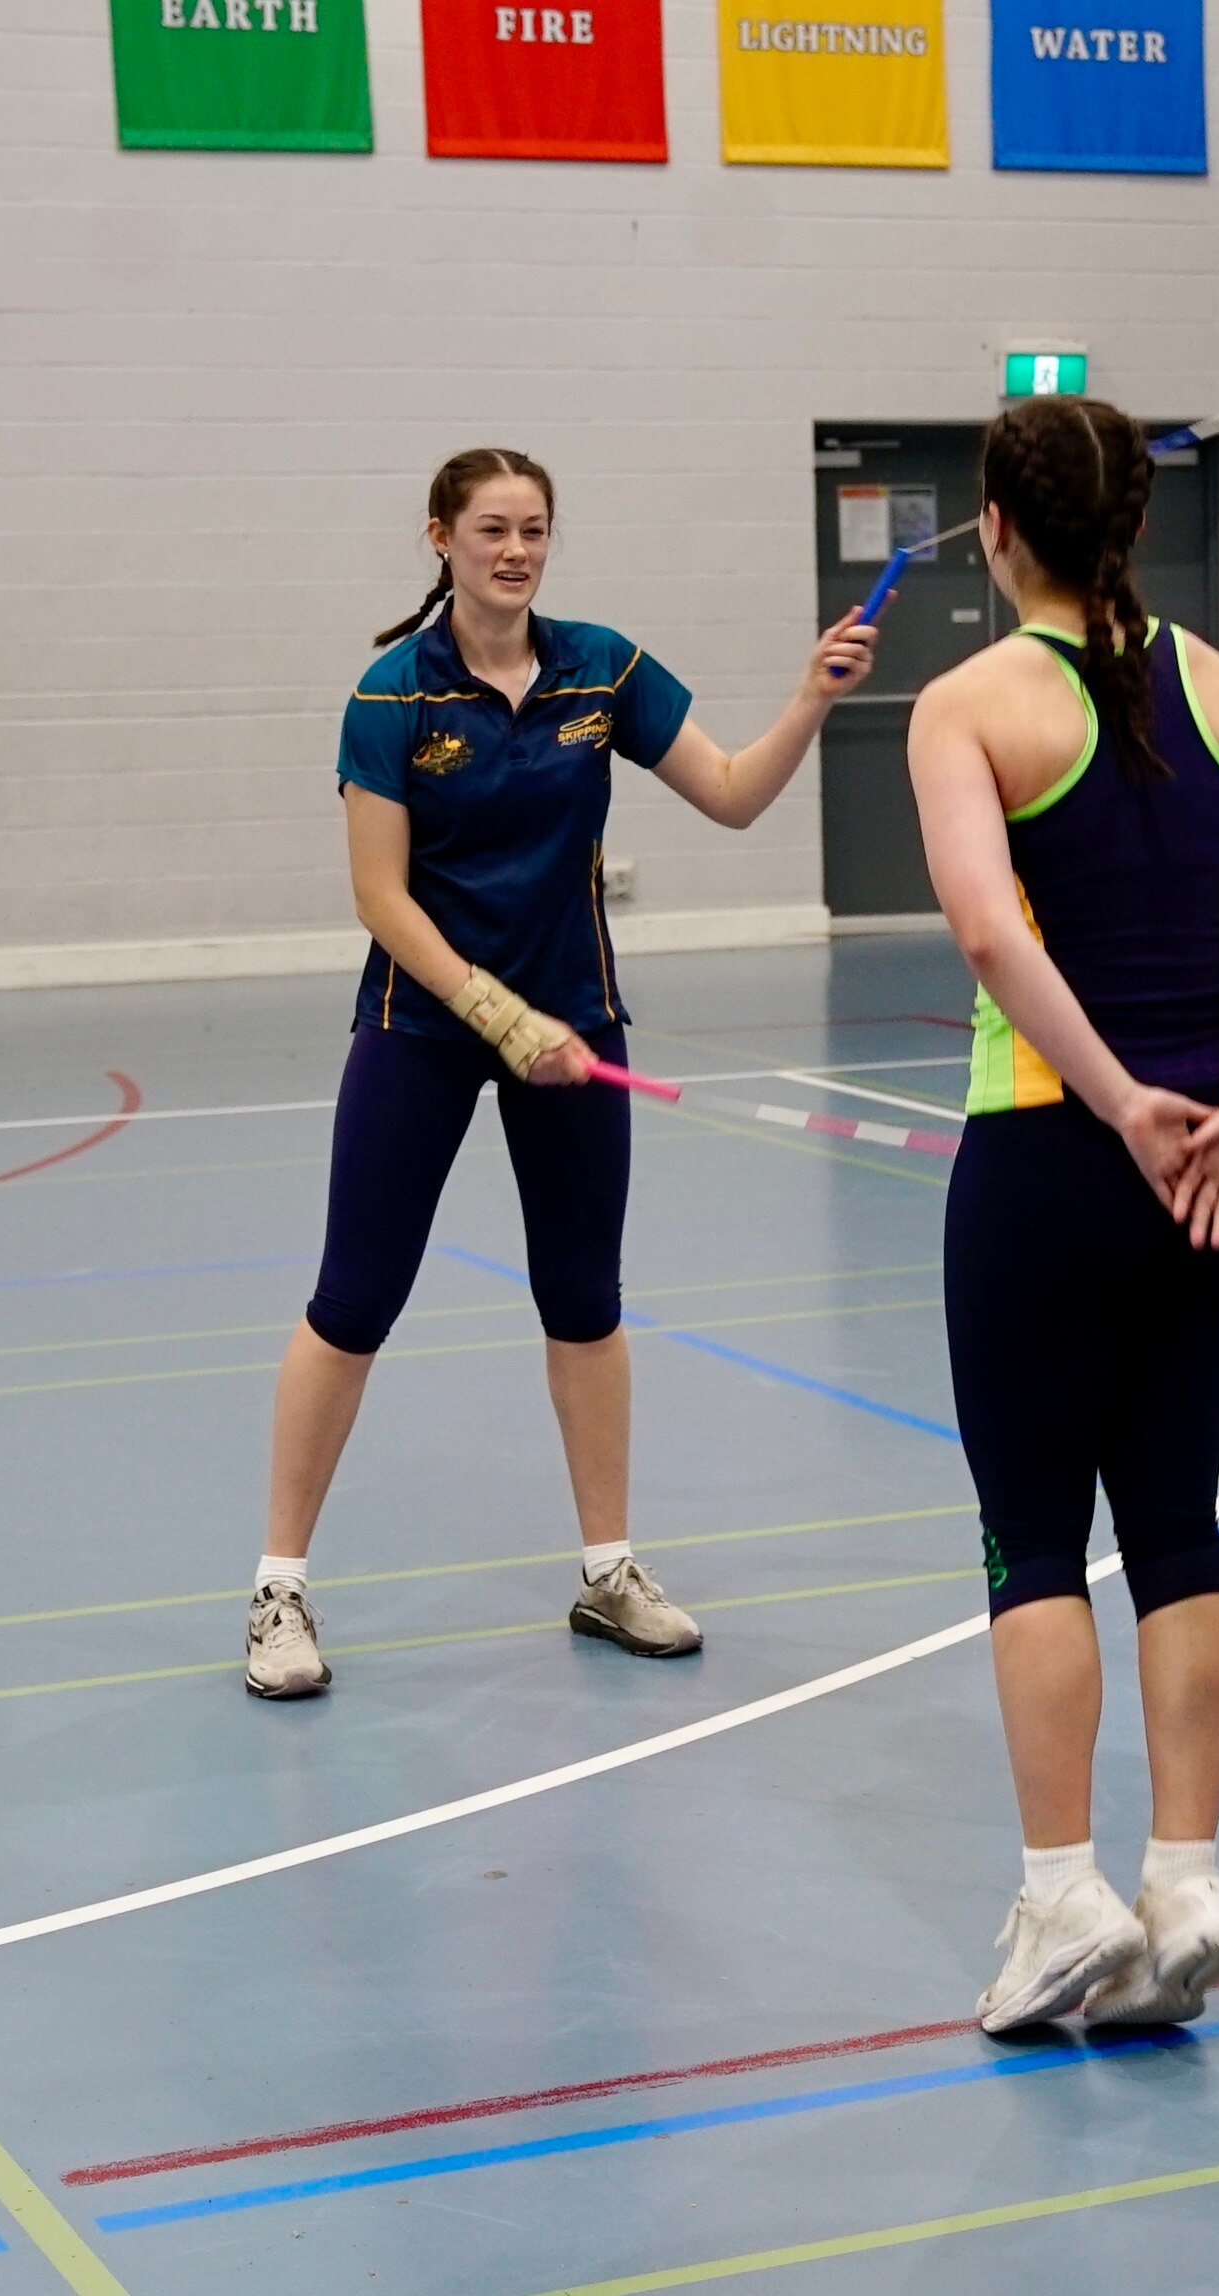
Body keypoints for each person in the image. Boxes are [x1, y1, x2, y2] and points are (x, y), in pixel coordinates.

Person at [242, 447, 879, 1699]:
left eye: (535, 528)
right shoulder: (390, 697)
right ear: (441, 538)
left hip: (576, 1024)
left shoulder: (603, 668)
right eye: (491, 528)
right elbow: (380, 894)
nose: (516, 549)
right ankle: (278, 1588)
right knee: (353, 1297)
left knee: (585, 1299)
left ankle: (610, 1571)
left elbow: (737, 794)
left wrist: (809, 696)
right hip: (423, 1024)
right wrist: (491, 1012)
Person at [904, 396, 1219, 2033]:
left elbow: (995, 939)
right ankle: (1185, 1874)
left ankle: (1063, 1892)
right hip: (1215, 1178)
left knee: (1028, 1535)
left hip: (1055, 1157)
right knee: (1178, 1517)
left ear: (998, 526)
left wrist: (1115, 1096)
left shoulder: (967, 703)